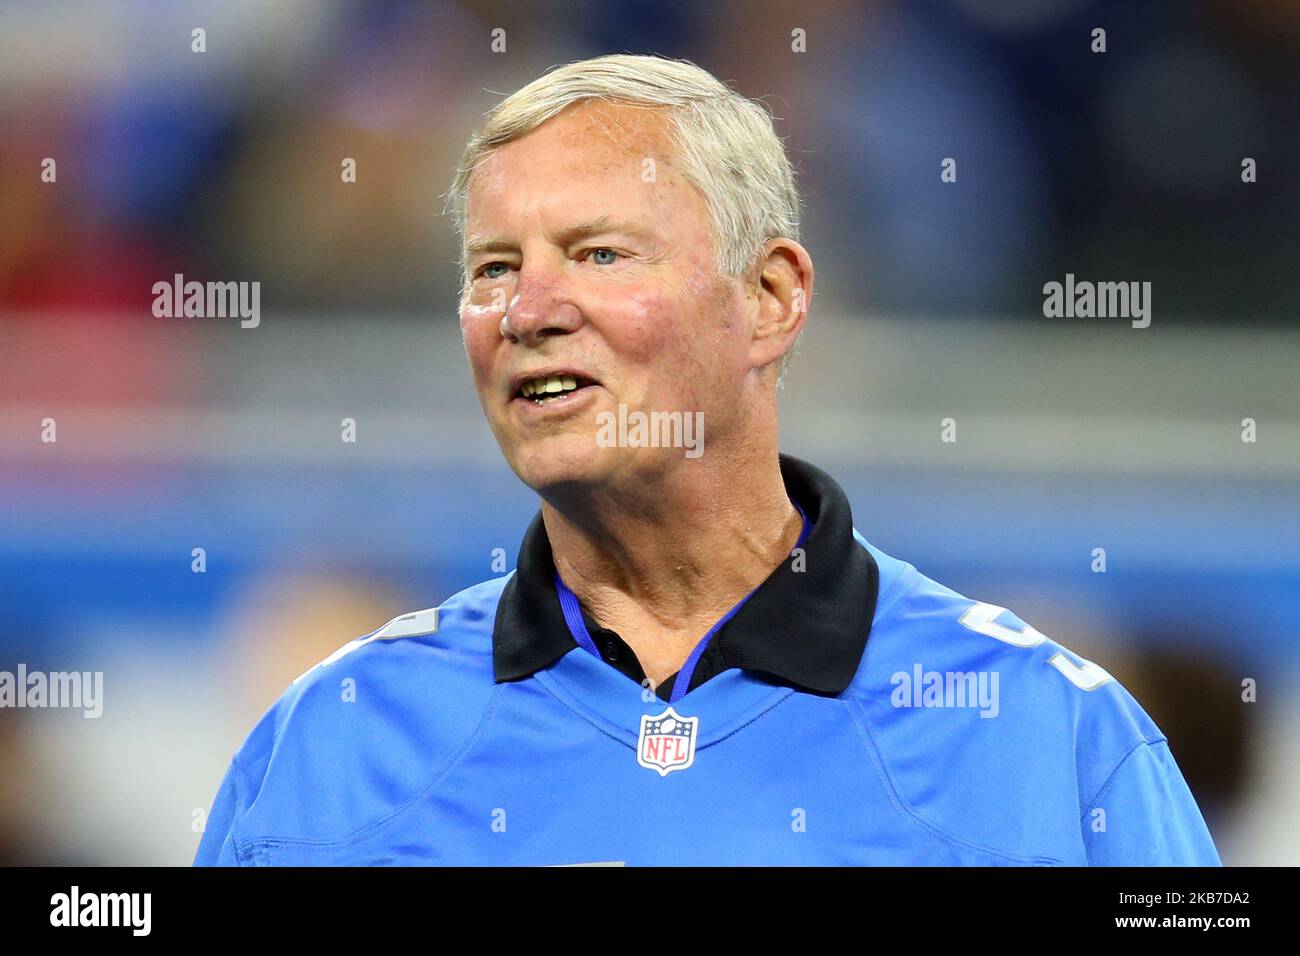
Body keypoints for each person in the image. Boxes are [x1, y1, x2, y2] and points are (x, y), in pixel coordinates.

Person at [195, 54, 1219, 866]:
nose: (529, 310)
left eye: (600, 253)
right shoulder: (328, 745)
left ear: (768, 299)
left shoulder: (1047, 737)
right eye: (493, 267)